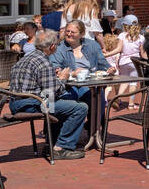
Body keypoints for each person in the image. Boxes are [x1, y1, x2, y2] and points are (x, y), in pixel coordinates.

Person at [6, 30, 89, 160]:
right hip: (30, 104)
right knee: (80, 107)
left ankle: (51, 143)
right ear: (52, 46)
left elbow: (42, 85)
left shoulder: (27, 57)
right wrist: (63, 78)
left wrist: (53, 76)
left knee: (62, 103)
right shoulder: (43, 62)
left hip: (15, 103)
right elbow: (54, 91)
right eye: (57, 44)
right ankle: (61, 147)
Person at [50, 20, 112, 104]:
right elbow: (55, 68)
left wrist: (109, 69)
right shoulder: (59, 48)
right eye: (67, 31)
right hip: (69, 85)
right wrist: (72, 73)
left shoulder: (92, 45)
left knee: (96, 94)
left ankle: (97, 117)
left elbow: (102, 64)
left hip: (90, 83)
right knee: (74, 95)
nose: (69, 34)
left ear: (82, 34)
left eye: (73, 32)